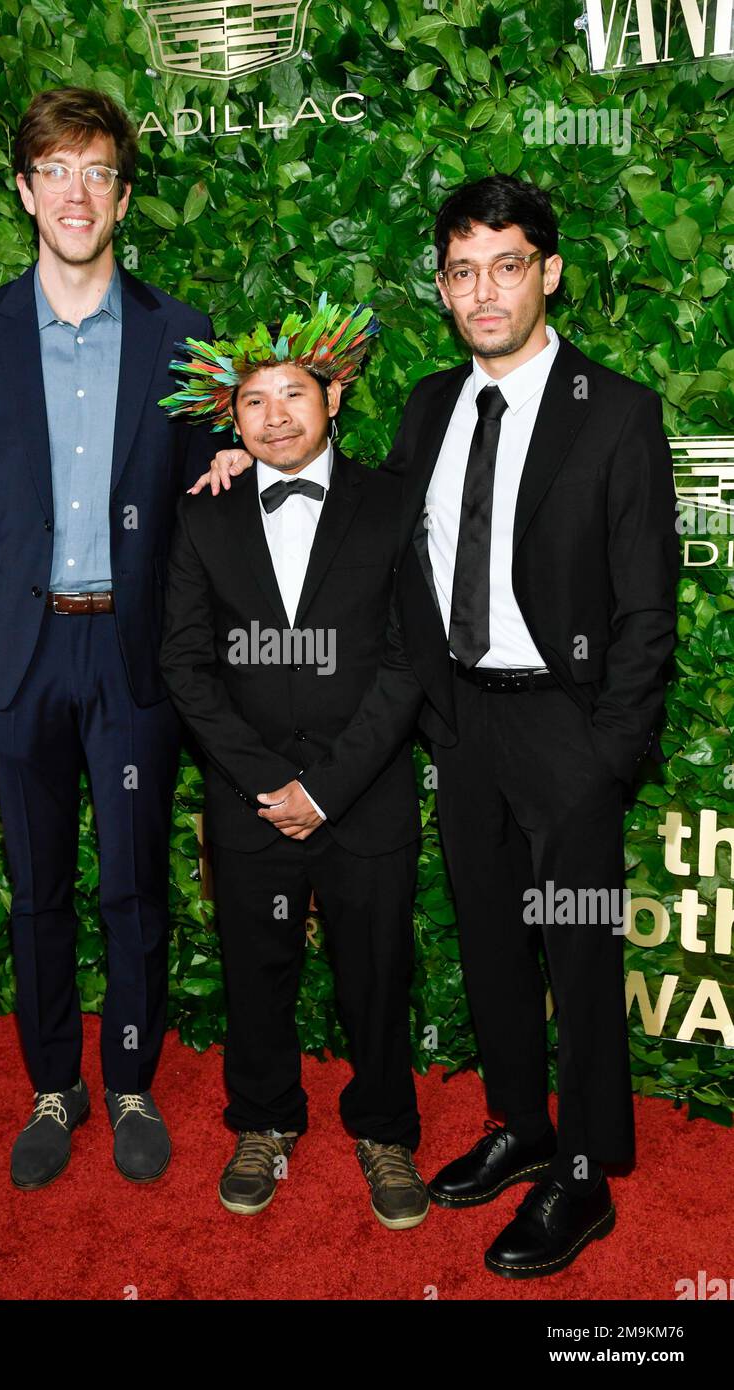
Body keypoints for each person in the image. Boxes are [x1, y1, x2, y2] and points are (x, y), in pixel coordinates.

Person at [192, 175, 679, 1277]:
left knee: (580, 953)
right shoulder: (423, 406)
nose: (485, 290)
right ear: (444, 288)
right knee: (495, 942)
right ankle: (522, 1122)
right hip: (458, 722)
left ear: (548, 272)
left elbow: (650, 611)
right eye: (462, 271)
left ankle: (589, 1171)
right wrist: (238, 454)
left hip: (567, 725)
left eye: (508, 264)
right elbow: (352, 513)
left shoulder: (619, 411)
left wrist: (608, 754)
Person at [0, 87, 231, 1191]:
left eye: (97, 171)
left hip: (135, 654)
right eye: (54, 170)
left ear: (122, 193)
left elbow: (209, 479)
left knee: (134, 885)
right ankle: (56, 1082)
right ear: (24, 191)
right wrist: (16, 588)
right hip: (23, 656)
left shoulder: (179, 331)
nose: (75, 191)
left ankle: (133, 1080)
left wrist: (231, 465)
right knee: (40, 883)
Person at [158, 299, 430, 1228]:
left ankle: (386, 1129)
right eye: (253, 402)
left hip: (366, 793)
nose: (274, 415)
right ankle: (264, 1121)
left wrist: (327, 786)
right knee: (254, 970)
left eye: (293, 394)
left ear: (335, 397)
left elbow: (409, 659)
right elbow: (185, 664)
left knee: (377, 974)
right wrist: (264, 782)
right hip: (249, 798)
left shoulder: (394, 503)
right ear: (229, 421)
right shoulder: (203, 514)